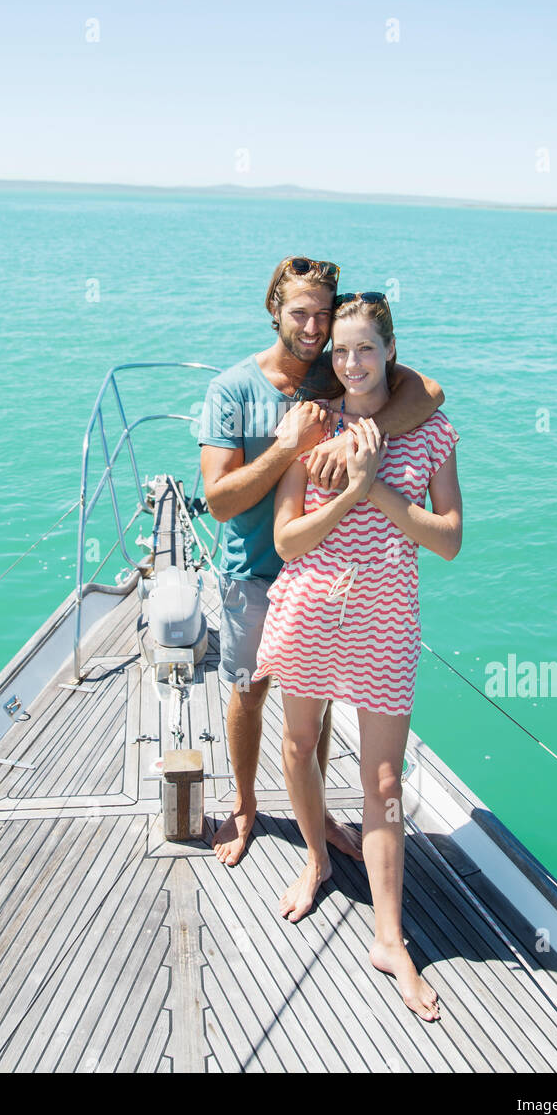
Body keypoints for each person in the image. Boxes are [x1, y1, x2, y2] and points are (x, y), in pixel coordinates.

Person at [250, 290, 462, 1023]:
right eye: (340, 352)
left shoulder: (431, 432)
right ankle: (315, 859)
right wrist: (351, 496)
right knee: (300, 744)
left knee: (382, 780)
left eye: (365, 348)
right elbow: (286, 542)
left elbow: (448, 538)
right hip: (311, 606)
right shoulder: (307, 429)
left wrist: (379, 496)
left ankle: (388, 937)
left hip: (384, 616)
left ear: (391, 351)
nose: (351, 361)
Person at [198, 256, 445, 868]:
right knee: (250, 690)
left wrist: (343, 439)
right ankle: (247, 803)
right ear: (273, 312)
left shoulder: (337, 374)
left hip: (325, 575)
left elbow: (428, 392)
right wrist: (287, 448)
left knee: (319, 701)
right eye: (299, 314)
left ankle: (320, 814)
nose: (312, 329)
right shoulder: (233, 389)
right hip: (258, 565)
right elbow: (219, 501)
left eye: (321, 316)